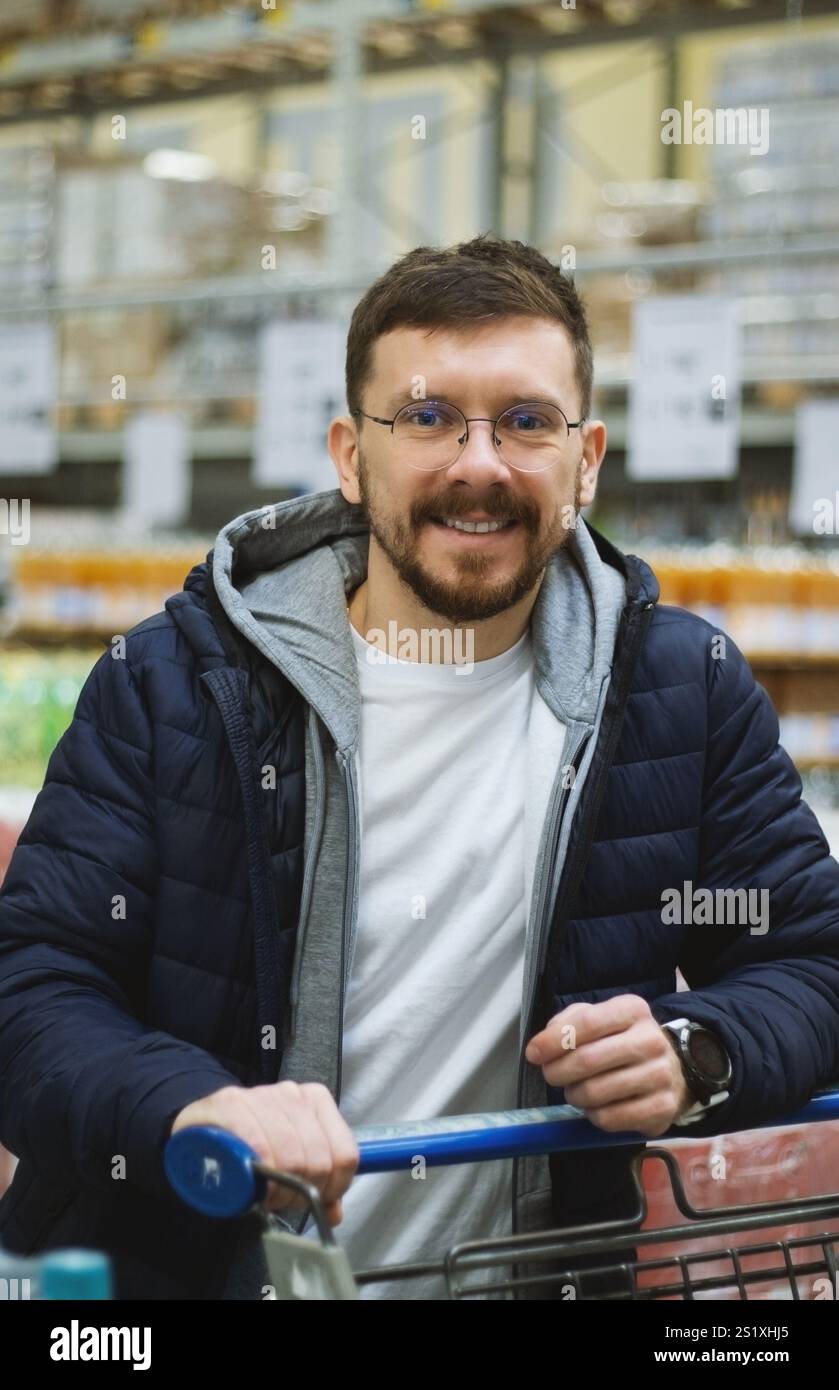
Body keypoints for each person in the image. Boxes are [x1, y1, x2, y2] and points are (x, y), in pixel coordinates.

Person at [1, 234, 838, 1301]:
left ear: (585, 460)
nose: (477, 463)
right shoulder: (180, 685)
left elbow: (812, 961)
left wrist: (700, 1047)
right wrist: (192, 1103)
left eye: (525, 421)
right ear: (352, 455)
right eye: (428, 416)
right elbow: (31, 991)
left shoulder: (681, 693)